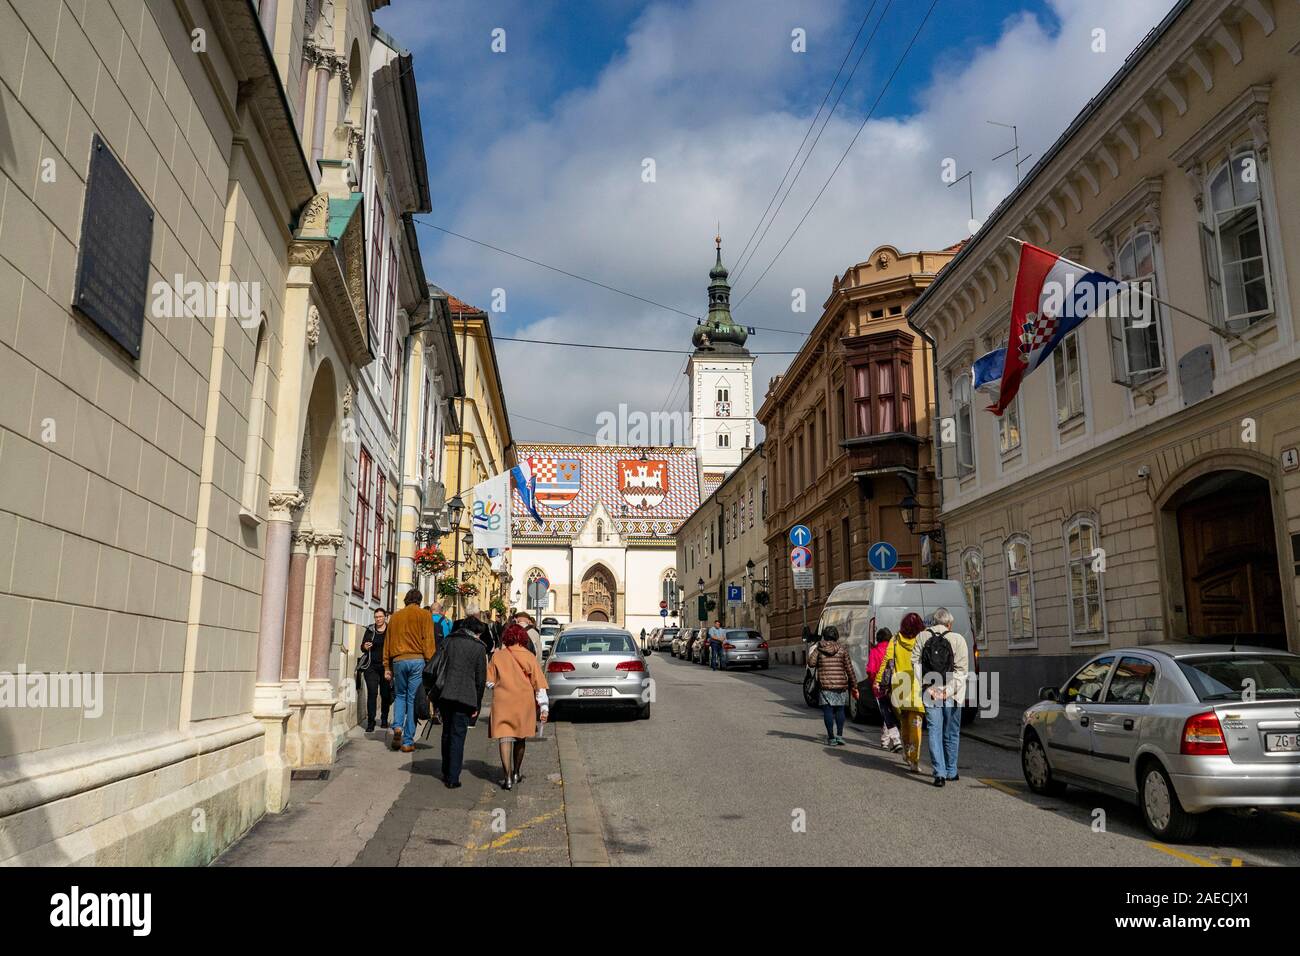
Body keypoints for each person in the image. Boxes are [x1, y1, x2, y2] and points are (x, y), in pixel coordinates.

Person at [486, 623, 549, 790]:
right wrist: (544, 707)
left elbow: (489, 682)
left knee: (504, 737)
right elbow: (539, 685)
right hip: (524, 701)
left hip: (503, 701)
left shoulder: (498, 656)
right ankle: (516, 772)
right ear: (523, 638)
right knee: (520, 738)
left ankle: (506, 777)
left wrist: (500, 684)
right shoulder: (529, 657)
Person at [913, 608, 969, 787]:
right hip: (954, 694)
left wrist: (927, 685)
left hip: (931, 692)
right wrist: (948, 691)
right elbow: (962, 671)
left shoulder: (922, 637)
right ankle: (952, 771)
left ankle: (939, 773)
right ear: (949, 624)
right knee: (951, 732)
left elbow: (915, 662)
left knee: (934, 732)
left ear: (934, 622)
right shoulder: (958, 639)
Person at [431, 621, 488, 789]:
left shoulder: (449, 641)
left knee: (447, 732)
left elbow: (437, 665)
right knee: (458, 736)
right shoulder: (478, 648)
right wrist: (476, 706)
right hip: (466, 697)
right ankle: (453, 777)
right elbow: (480, 680)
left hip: (446, 693)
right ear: (475, 633)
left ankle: (445, 769)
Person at [383, 588, 438, 754]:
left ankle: (397, 726)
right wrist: (432, 663)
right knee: (412, 699)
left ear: (405, 600)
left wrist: (387, 666)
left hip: (399, 660)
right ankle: (407, 741)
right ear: (419, 601)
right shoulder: (424, 615)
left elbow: (388, 641)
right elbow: (428, 640)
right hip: (417, 660)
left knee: (400, 695)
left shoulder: (395, 617)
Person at [876, 612, 926, 773]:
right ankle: (914, 760)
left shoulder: (895, 639)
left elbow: (886, 660)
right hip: (917, 687)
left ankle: (906, 751)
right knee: (916, 726)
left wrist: (878, 680)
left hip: (899, 688)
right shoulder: (923, 639)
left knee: (904, 723)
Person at [807, 625, 857, 746]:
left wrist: (816, 649)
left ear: (824, 636)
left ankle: (831, 738)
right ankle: (839, 735)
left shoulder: (820, 649)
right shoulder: (842, 649)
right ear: (836, 636)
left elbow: (811, 663)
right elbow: (849, 668)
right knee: (840, 709)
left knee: (828, 711)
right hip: (840, 685)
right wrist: (854, 684)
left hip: (825, 685)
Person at [867, 626, 901, 752]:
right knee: (891, 713)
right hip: (896, 684)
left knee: (886, 713)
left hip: (880, 686)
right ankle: (885, 740)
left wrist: (873, 681)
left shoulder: (875, 651)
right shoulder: (894, 649)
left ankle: (895, 740)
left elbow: (870, 670)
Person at [360, 608, 393, 732]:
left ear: (385, 617)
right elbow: (362, 646)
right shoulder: (370, 630)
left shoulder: (390, 630)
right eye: (376, 617)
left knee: (385, 694)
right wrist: (364, 646)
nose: (378, 619)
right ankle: (371, 722)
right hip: (371, 666)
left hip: (385, 667)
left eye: (380, 616)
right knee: (372, 693)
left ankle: (384, 718)